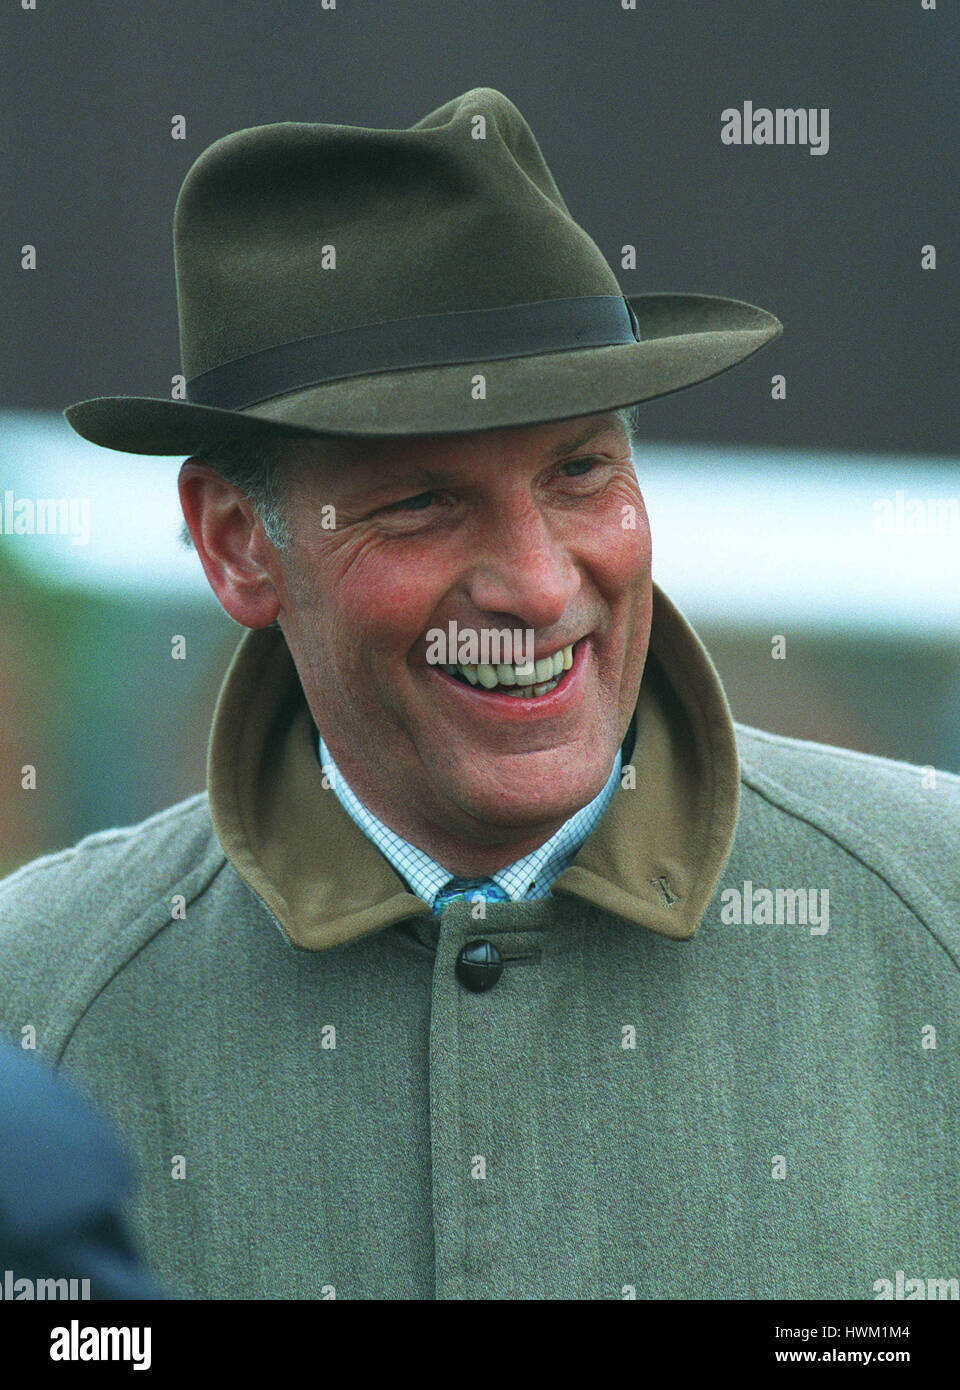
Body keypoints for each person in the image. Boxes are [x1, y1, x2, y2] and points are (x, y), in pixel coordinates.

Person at [1, 87, 958, 1300]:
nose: (542, 583)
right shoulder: (32, 1011)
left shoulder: (941, 923)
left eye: (580, 470)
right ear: (239, 543)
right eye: (421, 501)